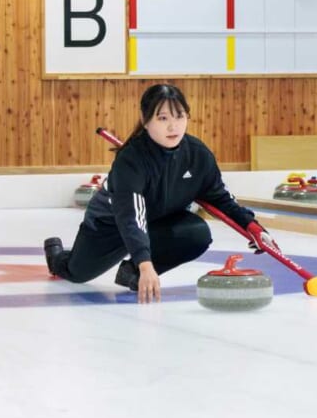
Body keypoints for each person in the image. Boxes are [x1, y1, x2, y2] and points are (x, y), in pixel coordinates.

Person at [44, 83, 279, 304]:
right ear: (146, 122)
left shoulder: (198, 155)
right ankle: (57, 256)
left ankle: (132, 272)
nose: (172, 126)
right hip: (111, 225)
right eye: (162, 118)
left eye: (179, 116)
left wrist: (252, 227)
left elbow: (220, 198)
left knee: (196, 233)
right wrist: (147, 265)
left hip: (158, 222)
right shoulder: (131, 160)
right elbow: (130, 218)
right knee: (77, 273)